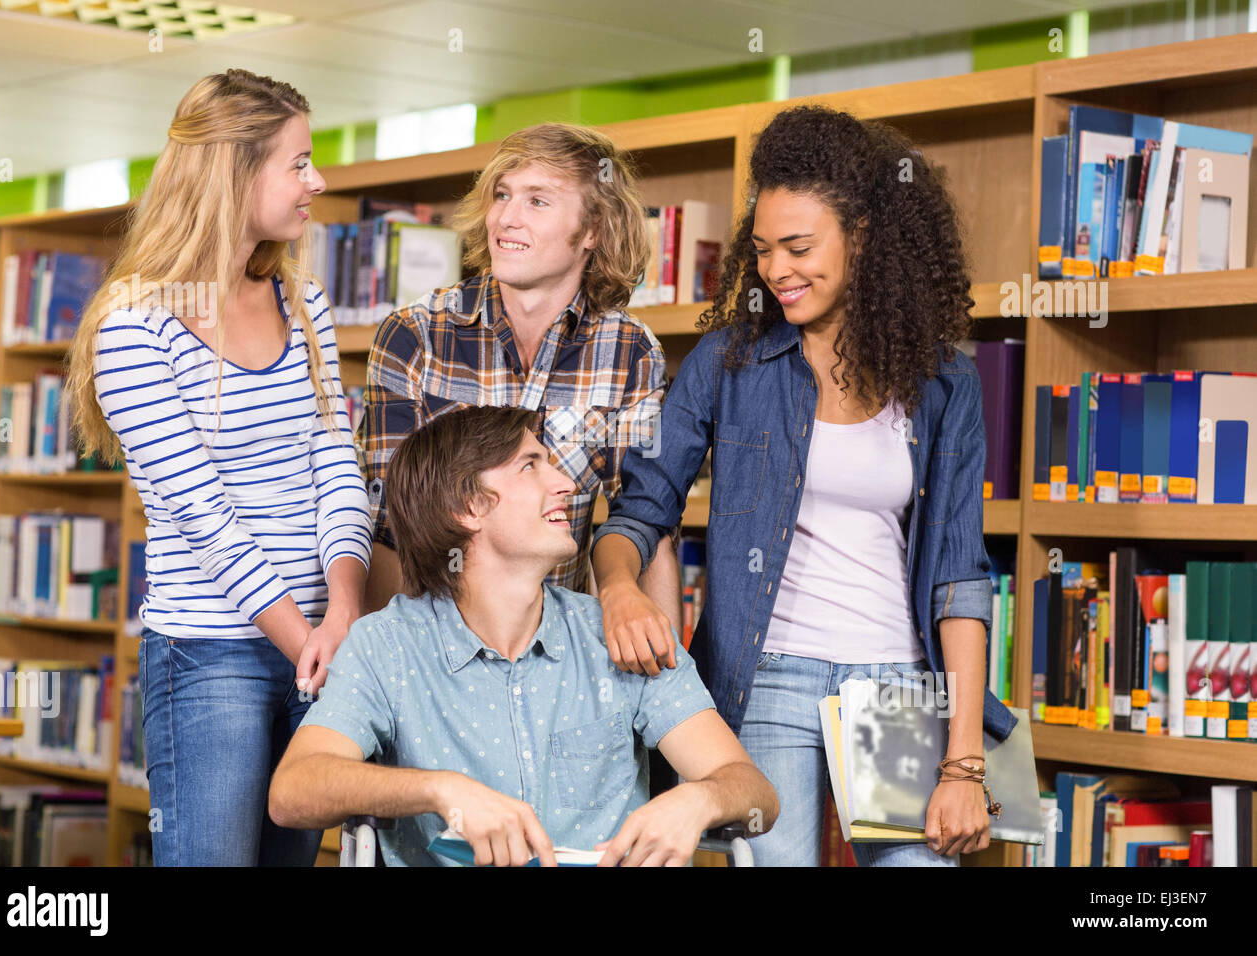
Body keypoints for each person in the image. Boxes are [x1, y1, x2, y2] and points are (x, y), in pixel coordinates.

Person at [590, 105, 1017, 867]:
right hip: (767, 676)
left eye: (798, 247)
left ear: (864, 237)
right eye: (762, 250)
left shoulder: (945, 383)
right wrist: (617, 584)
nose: (777, 270)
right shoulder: (728, 364)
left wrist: (962, 764)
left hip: (896, 685)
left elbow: (960, 579)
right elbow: (641, 506)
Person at [66, 69, 372, 866]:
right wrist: (303, 638)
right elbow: (203, 515)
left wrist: (342, 612)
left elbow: (336, 461)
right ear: (234, 170)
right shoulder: (135, 324)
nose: (319, 181)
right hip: (211, 656)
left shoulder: (304, 303)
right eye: (298, 162)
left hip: (320, 647)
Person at [269, 405, 777, 866]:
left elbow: (754, 791)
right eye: (530, 466)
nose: (567, 484)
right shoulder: (387, 646)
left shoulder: (617, 637)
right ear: (467, 507)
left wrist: (696, 800)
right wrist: (441, 790)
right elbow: (293, 791)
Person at [358, 122, 679, 626]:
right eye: (502, 195)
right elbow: (387, 528)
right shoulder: (414, 335)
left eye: (537, 201)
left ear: (593, 229)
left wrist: (668, 690)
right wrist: (398, 670)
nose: (506, 217)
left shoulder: (629, 352)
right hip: (432, 642)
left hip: (559, 655)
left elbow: (640, 522)